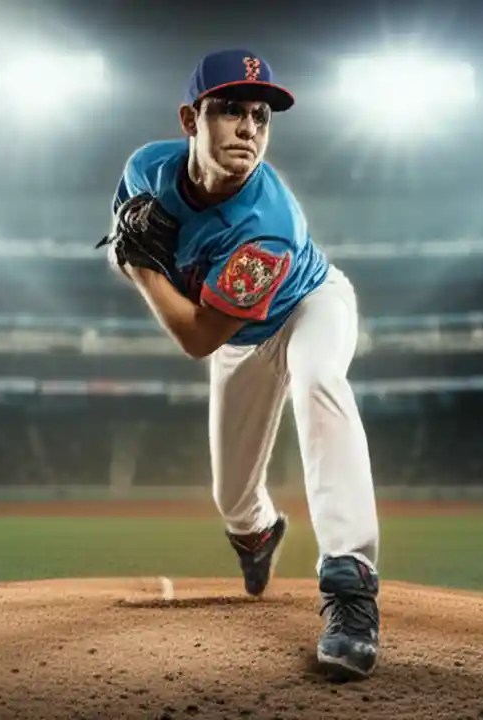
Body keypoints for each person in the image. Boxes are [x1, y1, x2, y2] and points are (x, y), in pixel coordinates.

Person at [109, 48, 381, 679]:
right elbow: (120, 231)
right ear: (190, 119)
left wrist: (143, 271)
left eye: (260, 115)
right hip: (243, 340)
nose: (249, 127)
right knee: (231, 495)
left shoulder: (270, 226)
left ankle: (352, 587)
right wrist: (127, 253)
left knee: (320, 382)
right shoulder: (144, 168)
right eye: (229, 110)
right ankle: (258, 532)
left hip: (310, 304)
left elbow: (199, 335)